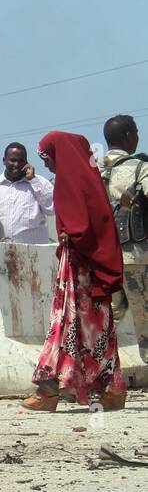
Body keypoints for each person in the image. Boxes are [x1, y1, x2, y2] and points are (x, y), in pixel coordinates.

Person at [22, 131, 126, 411]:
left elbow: (83, 226)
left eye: (48, 157)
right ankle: (106, 390)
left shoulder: (73, 182)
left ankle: (51, 390)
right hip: (86, 266)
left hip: (82, 268)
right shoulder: (87, 181)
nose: (46, 164)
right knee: (90, 330)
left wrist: (72, 236)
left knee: (69, 327)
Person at [100, 115, 148, 364]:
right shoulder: (141, 168)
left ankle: (84, 372)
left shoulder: (93, 169)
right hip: (136, 256)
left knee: (106, 319)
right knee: (145, 318)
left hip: (102, 259)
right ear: (130, 136)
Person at [0, 142, 54, 243]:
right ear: (4, 161)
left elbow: (51, 209)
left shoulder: (40, 182)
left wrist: (33, 181)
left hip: (33, 254)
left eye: (21, 161)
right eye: (12, 160)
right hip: (2, 252)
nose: (16, 165)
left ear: (26, 162)